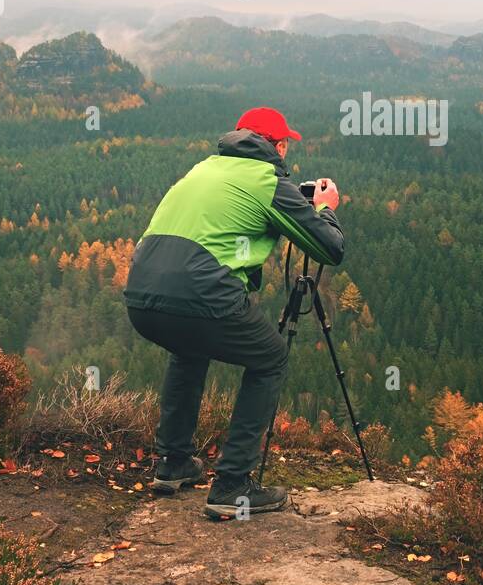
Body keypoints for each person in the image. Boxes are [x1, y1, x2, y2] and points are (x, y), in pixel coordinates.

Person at [124, 107, 343, 519]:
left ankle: (173, 463)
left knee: (188, 349)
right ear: (278, 147)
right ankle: (232, 485)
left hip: (141, 294)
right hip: (201, 294)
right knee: (271, 357)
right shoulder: (268, 181)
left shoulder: (203, 168)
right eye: (285, 146)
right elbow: (330, 248)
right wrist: (326, 207)